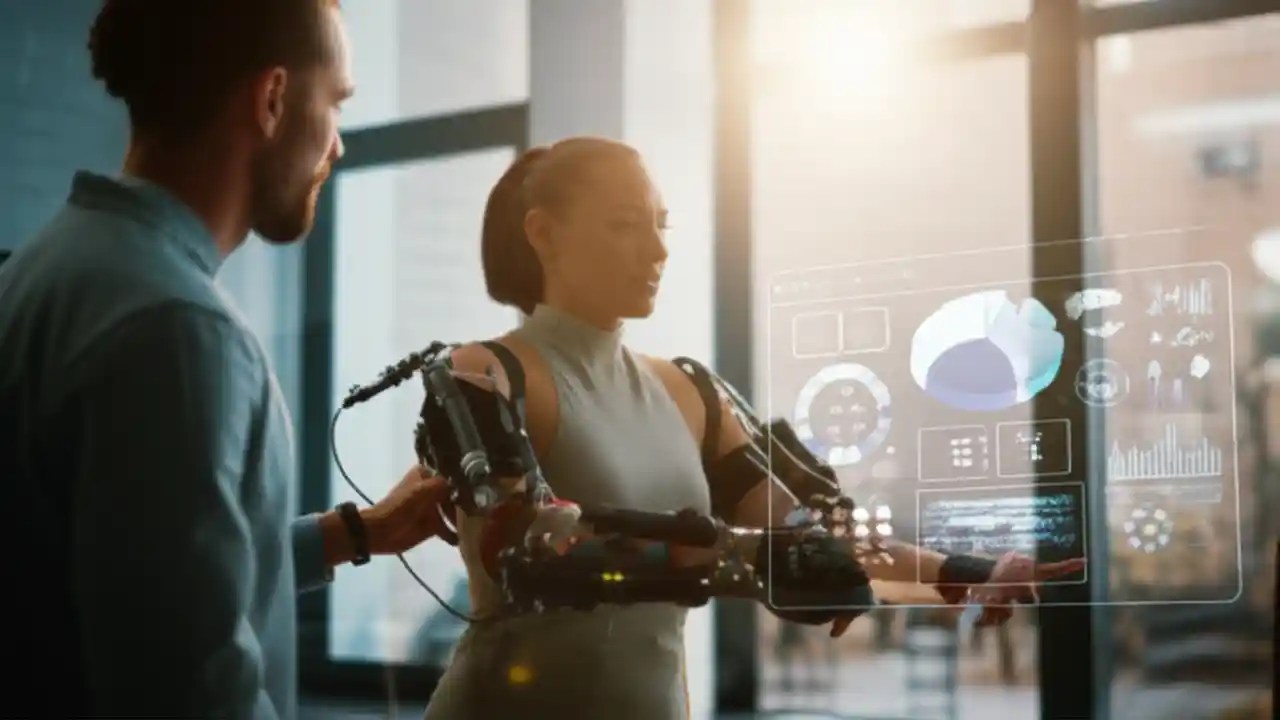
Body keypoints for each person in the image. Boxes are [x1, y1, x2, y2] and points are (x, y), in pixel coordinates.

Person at [417, 137, 1085, 720]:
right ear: (544, 234)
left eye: (662, 225)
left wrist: (965, 571)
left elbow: (801, 527)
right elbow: (527, 547)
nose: (656, 249)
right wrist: (759, 561)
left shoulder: (687, 388)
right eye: (626, 225)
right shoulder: (483, 372)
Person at [0, 1, 455, 717]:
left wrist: (363, 532)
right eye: (335, 104)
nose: (337, 147)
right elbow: (187, 690)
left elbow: (133, 569)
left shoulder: (48, 270)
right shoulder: (176, 330)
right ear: (273, 99)